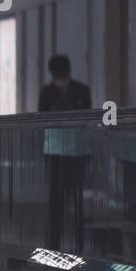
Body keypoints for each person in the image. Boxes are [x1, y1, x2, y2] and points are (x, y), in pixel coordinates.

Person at [38, 55, 90, 251]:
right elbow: (41, 119)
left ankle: (80, 244)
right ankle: (54, 243)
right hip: (56, 152)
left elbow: (87, 119)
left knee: (77, 201)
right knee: (56, 201)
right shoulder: (47, 92)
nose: (59, 76)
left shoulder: (81, 90)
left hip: (77, 152)